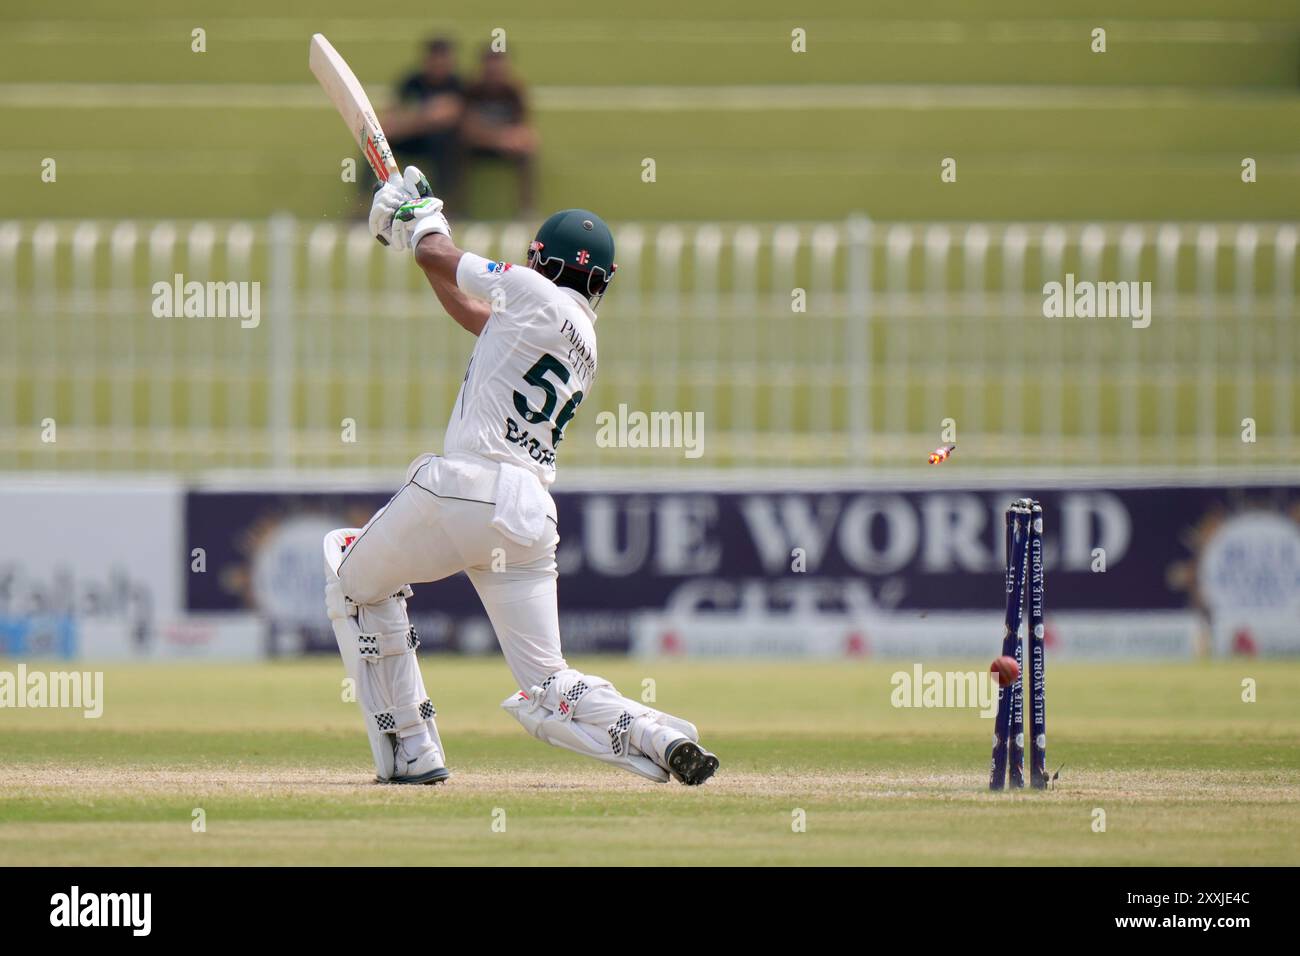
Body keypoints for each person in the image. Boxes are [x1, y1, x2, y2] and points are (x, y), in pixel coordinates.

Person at [322, 165, 719, 787]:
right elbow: (471, 308)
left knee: (350, 579)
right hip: (528, 517)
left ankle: (414, 747)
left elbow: (444, 257)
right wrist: (417, 232)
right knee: (547, 680)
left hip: (464, 486)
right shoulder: (582, 339)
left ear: (540, 259)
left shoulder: (532, 293)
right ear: (601, 282)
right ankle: (654, 732)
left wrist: (420, 219)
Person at [380, 38, 465, 202]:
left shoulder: (456, 83)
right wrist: (428, 116)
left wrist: (414, 118)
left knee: (443, 142)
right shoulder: (412, 82)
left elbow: (455, 116)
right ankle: (374, 199)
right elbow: (391, 120)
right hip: (411, 139)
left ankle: (446, 201)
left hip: (441, 144)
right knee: (380, 143)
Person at [460, 49, 538, 217]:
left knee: (527, 154)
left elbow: (525, 130)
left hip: (505, 145)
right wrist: (500, 137)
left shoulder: (513, 91)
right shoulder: (472, 90)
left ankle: (526, 208)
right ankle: (457, 206)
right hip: (479, 145)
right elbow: (467, 130)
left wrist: (518, 139)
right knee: (454, 149)